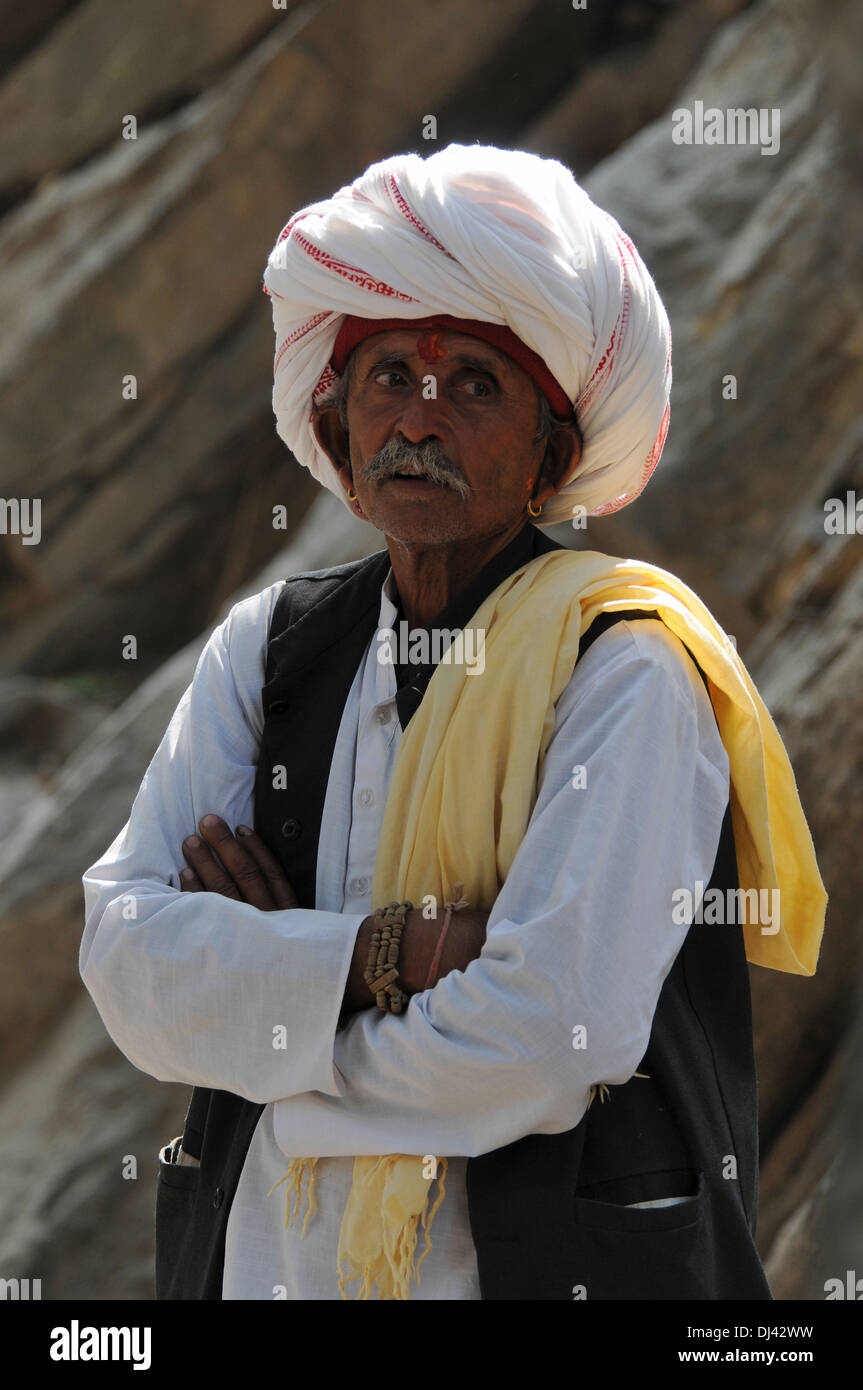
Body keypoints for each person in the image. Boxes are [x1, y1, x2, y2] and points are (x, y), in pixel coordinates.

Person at [80, 143, 826, 1301]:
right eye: (387, 378)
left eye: (474, 384)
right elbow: (125, 958)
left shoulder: (624, 670)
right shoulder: (265, 649)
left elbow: (541, 1039)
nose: (418, 419)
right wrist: (392, 955)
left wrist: (265, 1016)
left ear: (550, 455)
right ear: (336, 430)